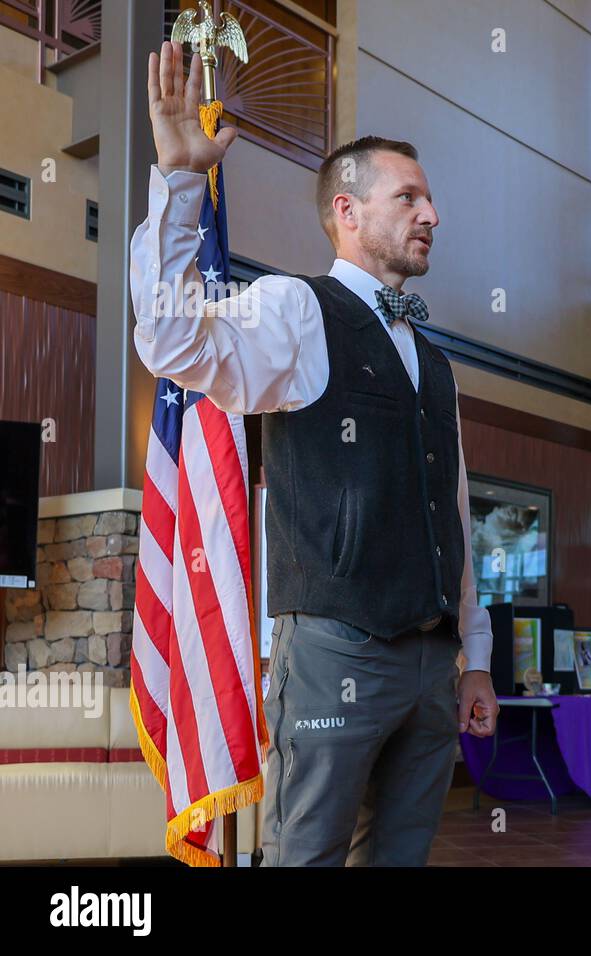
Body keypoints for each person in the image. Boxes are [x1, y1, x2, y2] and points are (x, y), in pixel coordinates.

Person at [129, 41, 499, 866]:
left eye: (430, 200)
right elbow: (170, 339)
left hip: (433, 666)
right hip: (337, 651)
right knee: (309, 856)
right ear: (347, 211)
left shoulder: (435, 361)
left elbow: (458, 520)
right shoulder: (297, 310)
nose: (430, 214)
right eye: (409, 197)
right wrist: (183, 181)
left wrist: (474, 661)